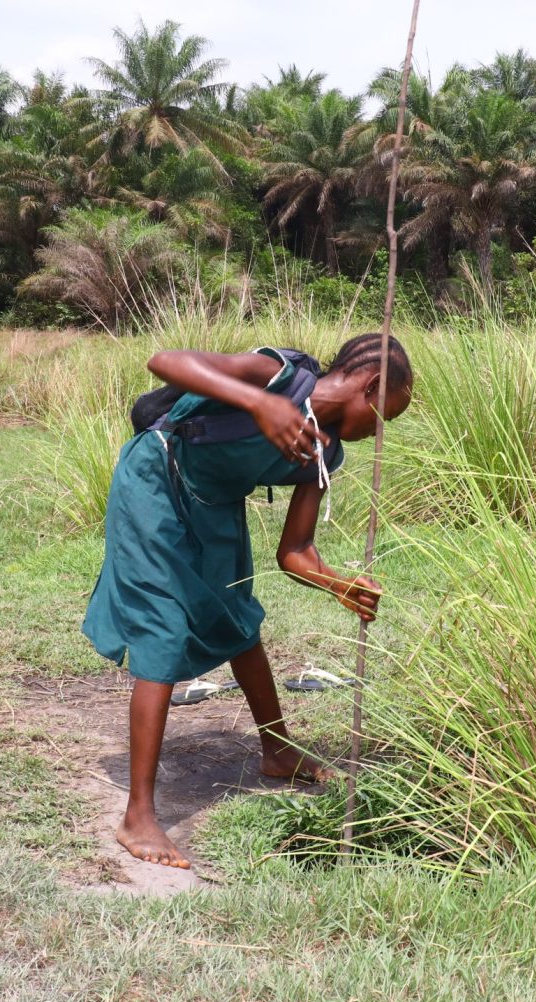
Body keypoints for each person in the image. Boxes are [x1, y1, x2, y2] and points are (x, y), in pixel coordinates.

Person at [82, 333, 414, 869]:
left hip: (214, 504)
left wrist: (339, 585)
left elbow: (296, 552)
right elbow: (165, 361)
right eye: (382, 418)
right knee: (163, 628)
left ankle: (277, 750)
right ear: (370, 385)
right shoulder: (279, 375)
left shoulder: (324, 452)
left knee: (237, 617)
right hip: (156, 479)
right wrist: (261, 403)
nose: (377, 435)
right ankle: (137, 816)